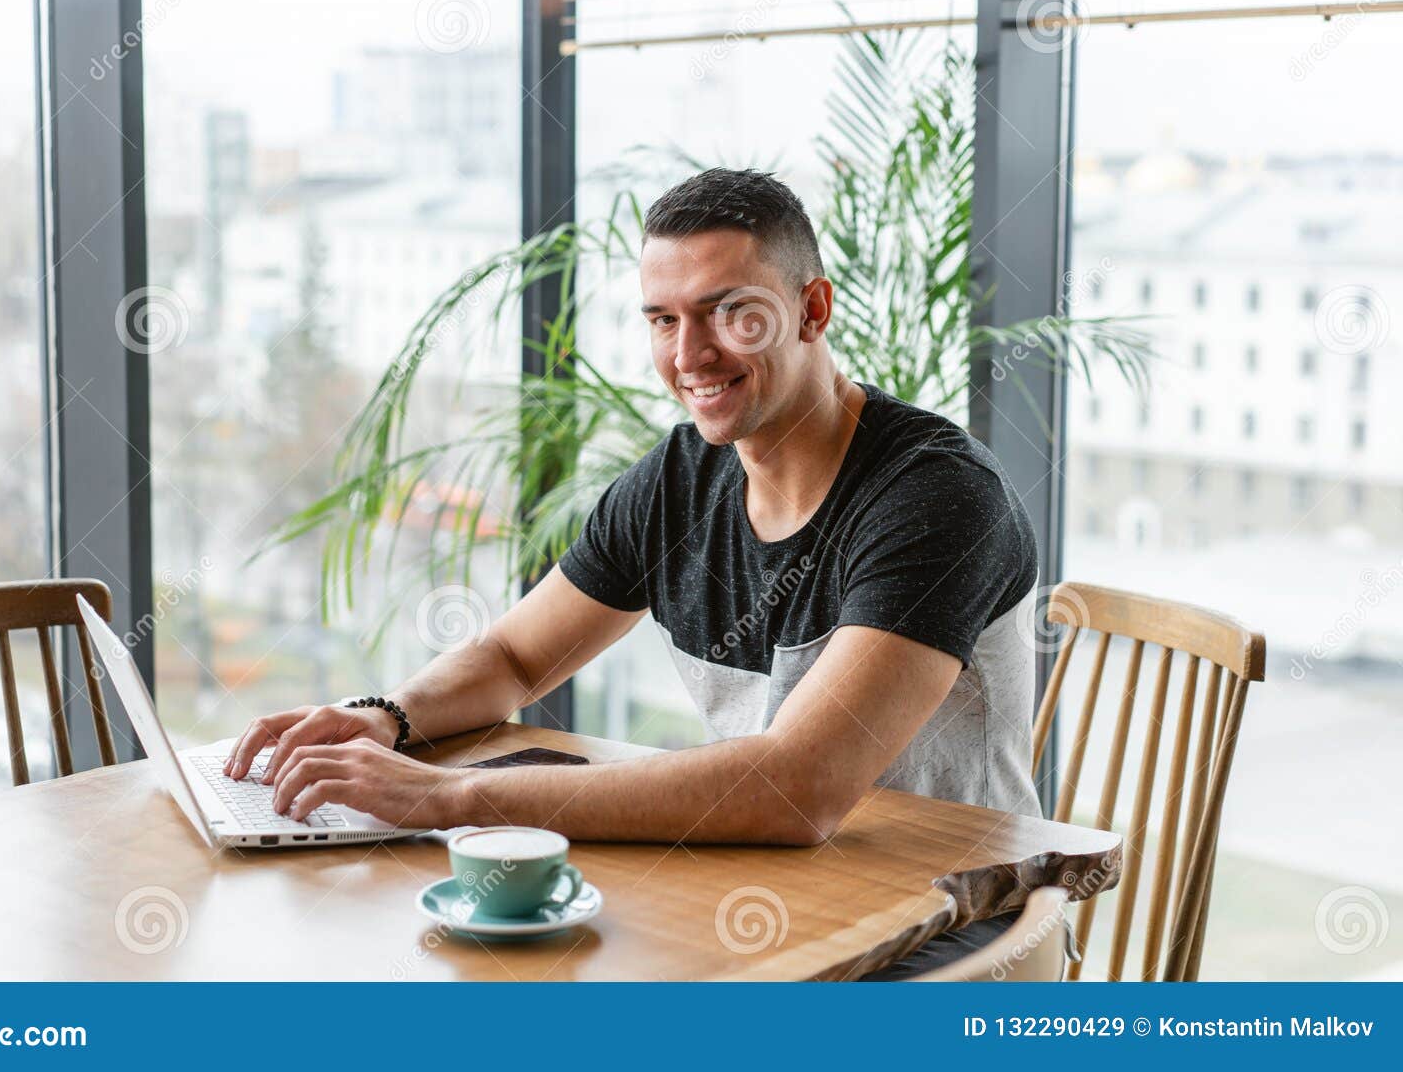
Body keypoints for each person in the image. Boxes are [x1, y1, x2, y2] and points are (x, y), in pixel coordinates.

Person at [225, 167, 1042, 973]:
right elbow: (513, 658)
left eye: (730, 313)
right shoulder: (681, 479)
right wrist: (385, 717)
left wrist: (446, 798)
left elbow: (799, 785)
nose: (689, 354)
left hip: (961, 936)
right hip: (779, 901)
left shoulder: (937, 496)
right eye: (663, 319)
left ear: (811, 310)